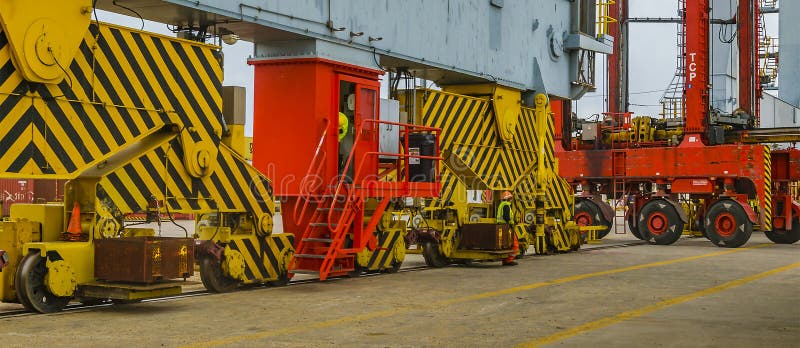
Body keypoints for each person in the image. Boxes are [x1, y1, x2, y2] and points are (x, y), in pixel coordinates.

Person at [496, 191, 519, 266]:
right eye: (511, 198)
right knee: (514, 244)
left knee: (505, 245)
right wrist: (511, 224)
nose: (512, 199)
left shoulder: (501, 205)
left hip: (501, 226)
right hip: (506, 227)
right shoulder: (506, 205)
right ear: (509, 198)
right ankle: (509, 260)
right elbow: (506, 217)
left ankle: (505, 260)